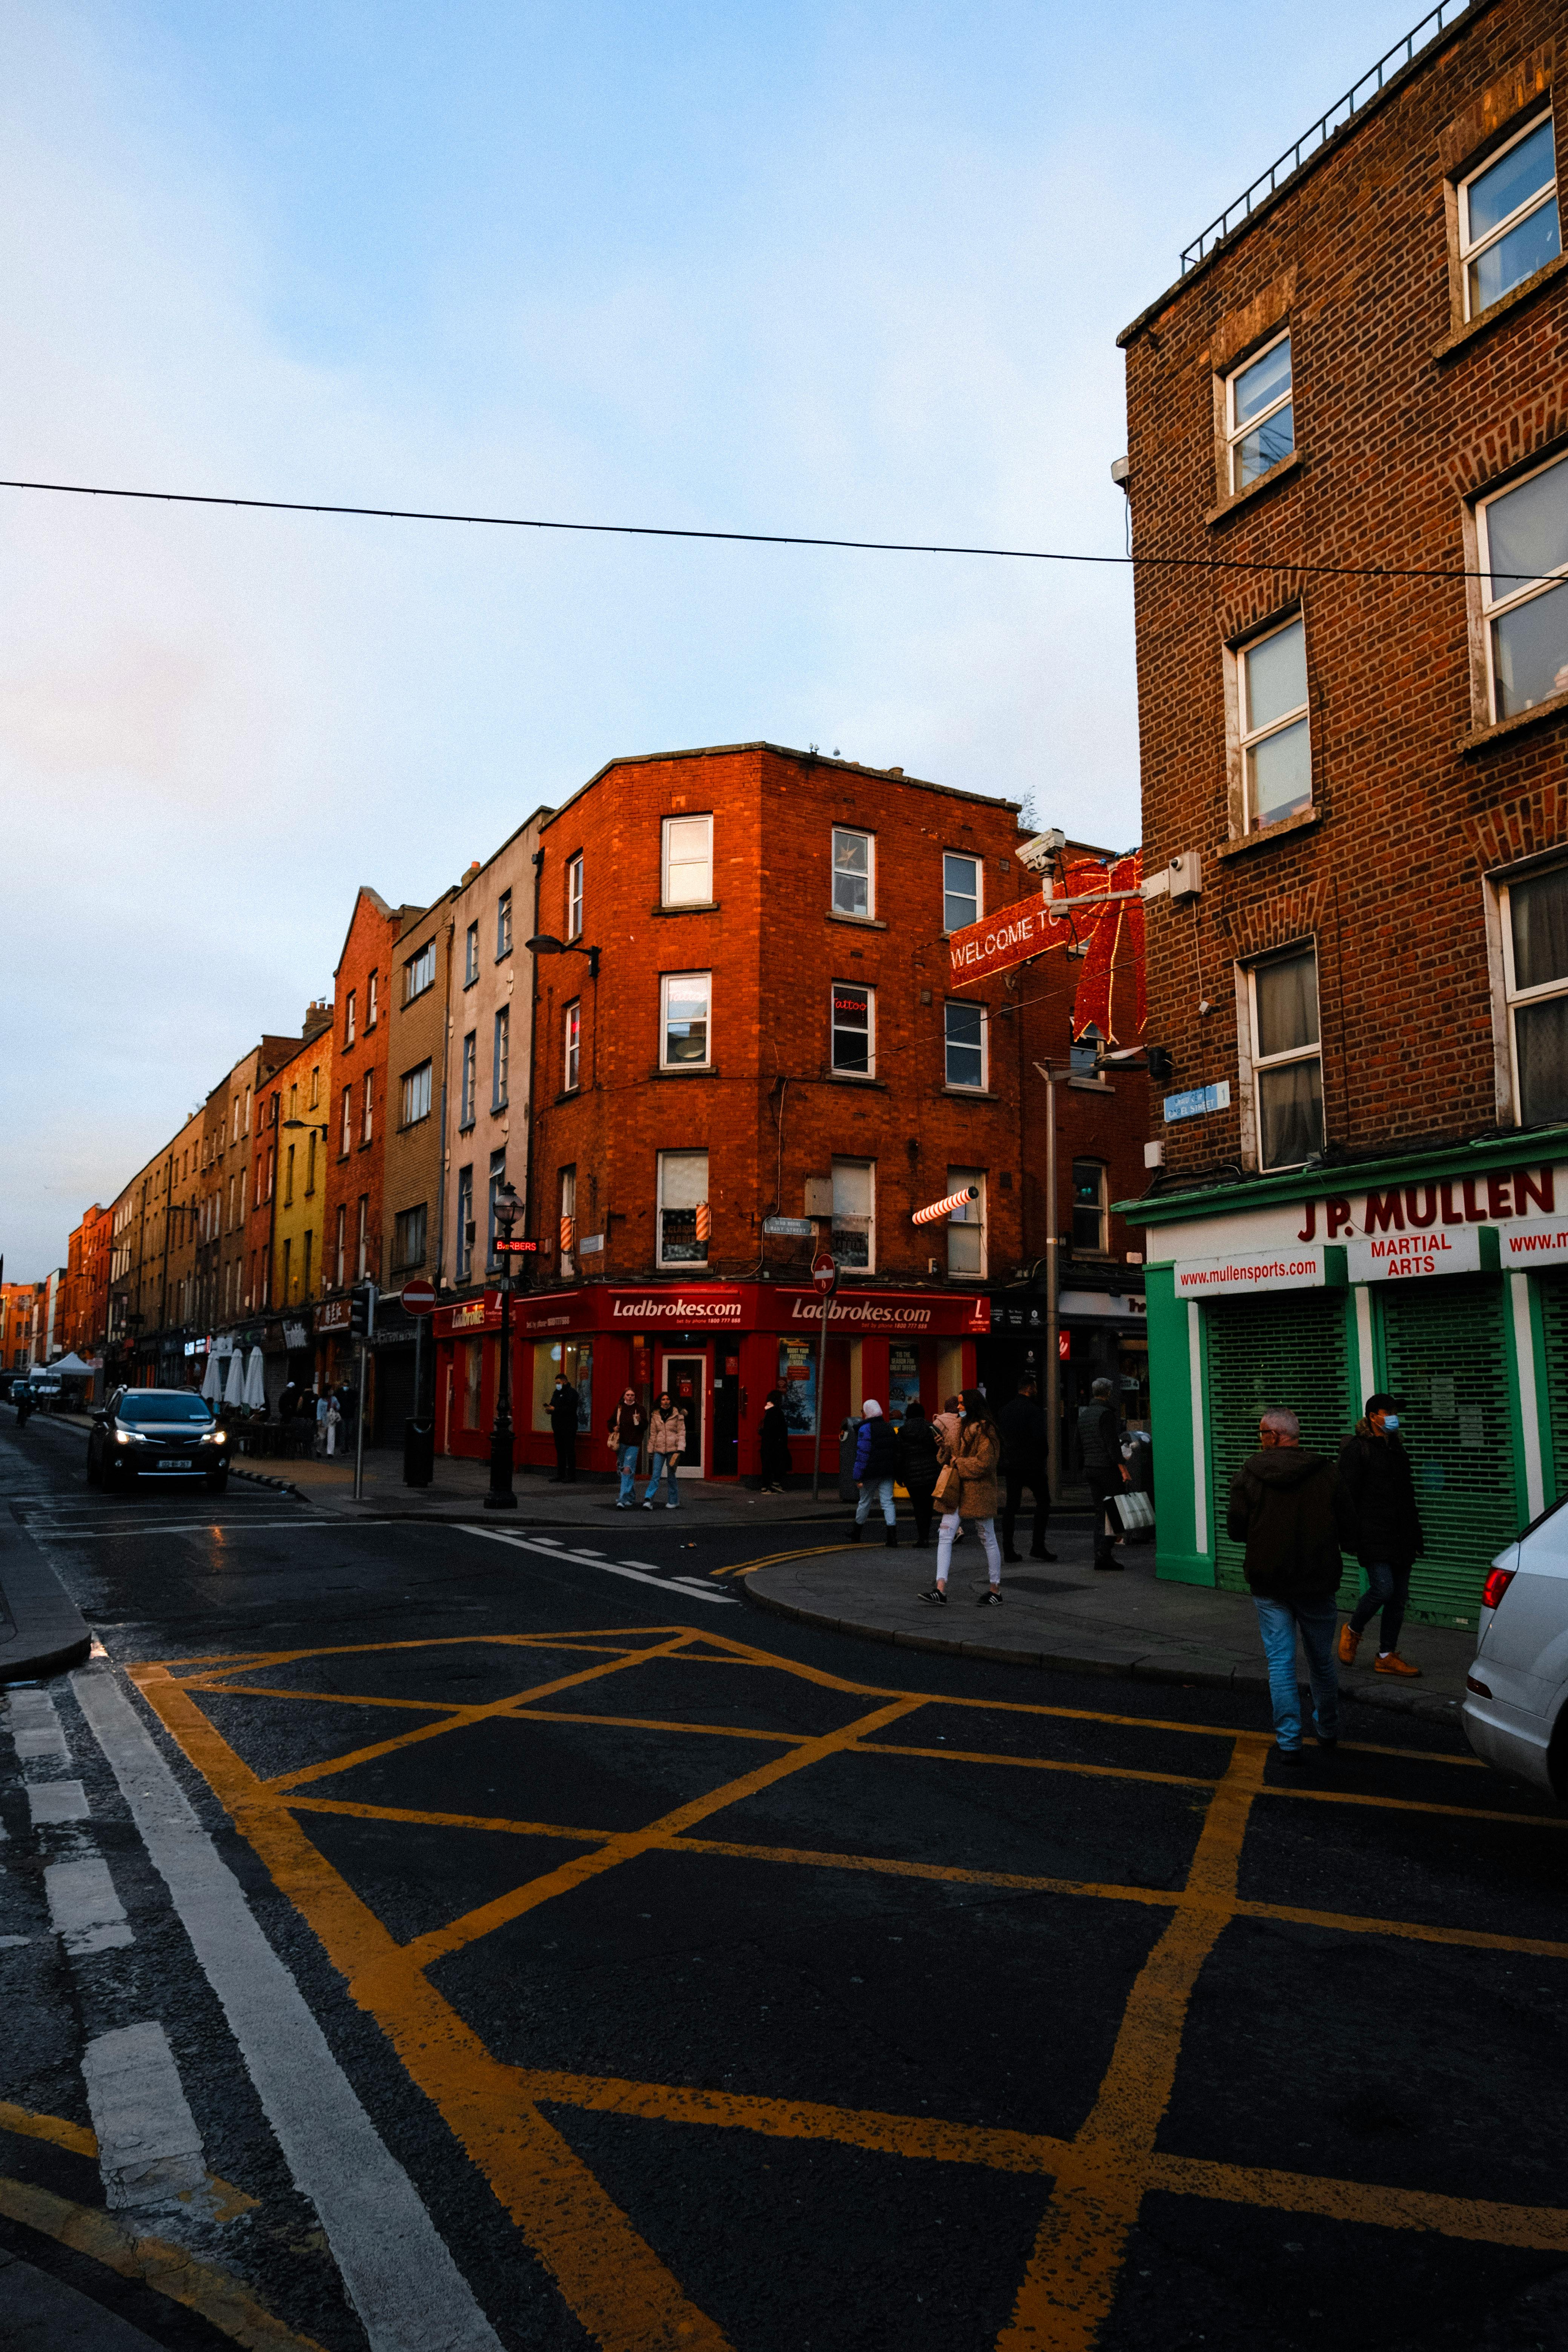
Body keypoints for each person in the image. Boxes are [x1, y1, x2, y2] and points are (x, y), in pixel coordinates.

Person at [1227, 1406, 1342, 1764]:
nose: (1259, 1439)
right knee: (1321, 1660)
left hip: (1269, 1580)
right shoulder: (1326, 1472)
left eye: (1261, 1432)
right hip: (1316, 1580)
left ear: (1274, 1436)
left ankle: (1289, 1740)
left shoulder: (1250, 1473)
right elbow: (1347, 1522)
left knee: (1280, 1662)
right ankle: (1327, 1728)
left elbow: (1235, 1530)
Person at [1335, 1392, 1425, 1679]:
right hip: (1372, 1532)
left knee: (1398, 1597)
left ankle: (1386, 1655)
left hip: (1401, 1534)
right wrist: (1348, 1536)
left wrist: (1416, 1533)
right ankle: (1352, 1629)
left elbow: (1407, 1496)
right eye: (1389, 1412)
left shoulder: (1397, 1448)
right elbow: (1345, 1496)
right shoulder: (1357, 1449)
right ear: (1373, 1416)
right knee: (1383, 1588)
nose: (1394, 1417)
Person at [920, 1389, 1003, 1604]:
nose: (959, 1408)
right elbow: (953, 1455)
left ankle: (995, 1590)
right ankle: (940, 1589)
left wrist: (959, 1463)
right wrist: (944, 1447)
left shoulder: (986, 1430)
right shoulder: (960, 1427)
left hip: (978, 1491)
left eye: (962, 1404)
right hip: (957, 1490)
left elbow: (985, 1464)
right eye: (958, 1404)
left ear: (973, 1405)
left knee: (988, 1539)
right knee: (945, 1534)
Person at [997, 1376, 1055, 1562]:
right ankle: (1038, 1546)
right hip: (1031, 1464)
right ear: (1030, 1388)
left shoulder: (1006, 1410)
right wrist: (1042, 1456)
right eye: (1035, 1386)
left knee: (1011, 1506)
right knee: (1043, 1502)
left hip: (1012, 1464)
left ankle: (1008, 1550)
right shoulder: (1033, 1410)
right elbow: (1040, 1439)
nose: (1037, 1389)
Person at [1078, 1376, 1129, 1571]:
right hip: (1107, 1470)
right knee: (1116, 1511)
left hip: (1091, 1469)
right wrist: (1123, 1468)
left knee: (1101, 1513)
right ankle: (1106, 1553)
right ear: (1108, 1393)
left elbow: (1078, 1445)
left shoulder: (1084, 1415)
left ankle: (1100, 1555)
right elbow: (1112, 1446)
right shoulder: (1106, 1414)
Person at [849, 1400, 901, 1546]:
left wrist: (858, 1476)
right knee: (888, 1502)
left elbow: (862, 1455)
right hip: (888, 1472)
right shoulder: (888, 1427)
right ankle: (892, 1537)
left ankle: (856, 1533)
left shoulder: (865, 1429)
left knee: (865, 1502)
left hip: (871, 1473)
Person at [897, 1398, 941, 1545]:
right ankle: (926, 1536)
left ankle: (921, 1537)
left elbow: (899, 1456)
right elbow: (940, 1450)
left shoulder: (903, 1432)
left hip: (911, 1474)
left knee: (917, 1506)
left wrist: (899, 1476)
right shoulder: (932, 1429)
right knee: (928, 1505)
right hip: (931, 1474)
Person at [644, 1389, 686, 1507]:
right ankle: (649, 1500)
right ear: (660, 1402)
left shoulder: (678, 1414)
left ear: (671, 1401)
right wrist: (651, 1451)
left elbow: (682, 1432)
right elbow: (653, 1434)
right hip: (659, 1449)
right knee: (655, 1476)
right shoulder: (655, 1415)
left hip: (673, 1449)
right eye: (663, 1399)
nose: (666, 1401)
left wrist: (680, 1449)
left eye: (668, 1399)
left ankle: (673, 1501)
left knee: (671, 1476)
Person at [608, 1389, 647, 1509]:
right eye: (628, 1395)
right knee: (622, 1470)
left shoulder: (640, 1409)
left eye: (633, 1395)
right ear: (624, 1396)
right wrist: (614, 1428)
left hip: (633, 1444)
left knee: (627, 1470)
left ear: (635, 1397)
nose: (630, 1397)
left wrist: (640, 1422)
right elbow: (610, 1422)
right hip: (621, 1443)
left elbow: (645, 1425)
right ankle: (631, 1496)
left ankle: (622, 1499)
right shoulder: (620, 1408)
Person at [548, 1373, 581, 1482]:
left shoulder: (572, 1393)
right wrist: (550, 1409)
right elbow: (553, 1404)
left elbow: (570, 1409)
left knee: (569, 1451)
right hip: (557, 1427)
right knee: (560, 1451)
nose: (557, 1385)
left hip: (569, 1427)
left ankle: (572, 1476)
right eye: (556, 1383)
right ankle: (560, 1475)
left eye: (559, 1383)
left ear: (565, 1382)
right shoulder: (556, 1393)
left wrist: (555, 1410)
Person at [759, 1390, 792, 1493]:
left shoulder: (768, 1411)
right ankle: (773, 1485)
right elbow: (780, 1428)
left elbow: (765, 1429)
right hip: (776, 1444)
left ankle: (767, 1486)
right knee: (779, 1463)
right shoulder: (777, 1412)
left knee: (768, 1465)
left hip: (767, 1443)